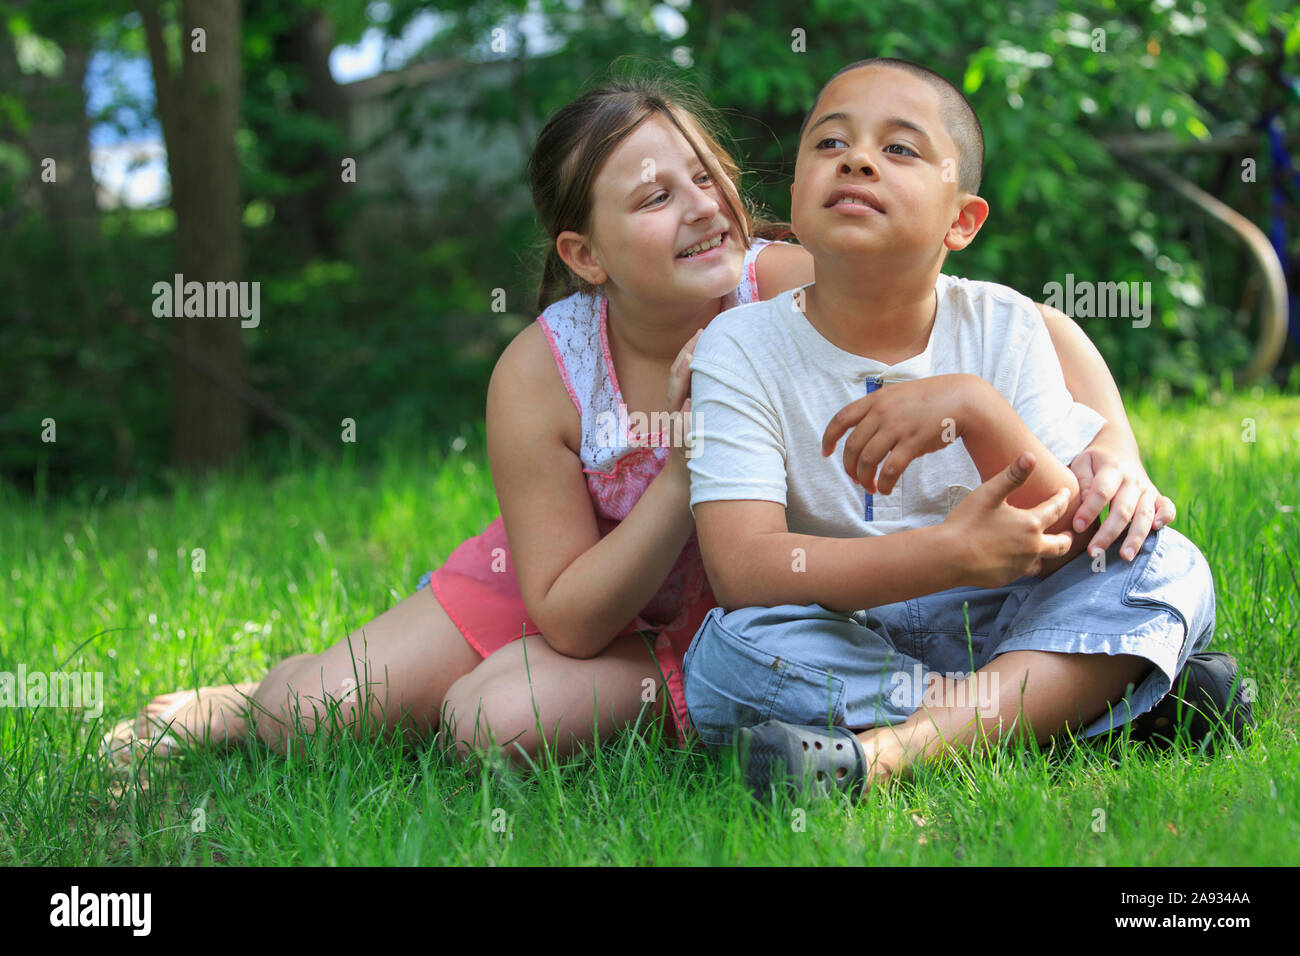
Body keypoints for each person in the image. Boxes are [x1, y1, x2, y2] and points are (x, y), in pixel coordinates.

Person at [101, 70, 1175, 772]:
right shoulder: (545, 371)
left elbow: (1015, 324)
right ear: (586, 255)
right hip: (574, 577)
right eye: (654, 198)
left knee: (499, 722)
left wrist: (1112, 451)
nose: (704, 206)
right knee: (310, 714)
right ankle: (237, 697)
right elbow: (566, 612)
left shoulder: (788, 279)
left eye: (706, 177)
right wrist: (681, 469)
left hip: (726, 611)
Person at [681, 58, 1250, 798]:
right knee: (728, 659)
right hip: (850, 633)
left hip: (1009, 611)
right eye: (828, 144)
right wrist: (946, 554)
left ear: (962, 220)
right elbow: (744, 570)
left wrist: (976, 409)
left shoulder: (1002, 323)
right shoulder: (740, 343)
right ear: (794, 198)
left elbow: (1065, 535)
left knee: (1166, 568)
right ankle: (1077, 701)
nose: (856, 159)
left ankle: (887, 755)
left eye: (901, 149)